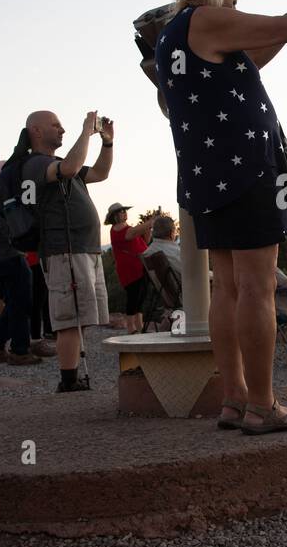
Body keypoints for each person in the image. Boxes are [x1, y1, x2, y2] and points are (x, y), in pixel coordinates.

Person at [155, 0, 287, 434]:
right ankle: (263, 405)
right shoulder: (209, 19)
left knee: (228, 288)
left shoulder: (175, 35)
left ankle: (235, 399)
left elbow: (251, 59)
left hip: (206, 174)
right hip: (246, 169)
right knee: (256, 286)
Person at [18, 111, 113, 392]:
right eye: (55, 125)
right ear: (35, 130)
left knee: (81, 314)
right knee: (69, 316)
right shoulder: (35, 164)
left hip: (85, 250)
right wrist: (86, 131)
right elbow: (71, 168)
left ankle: (71, 375)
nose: (62, 129)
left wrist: (107, 143)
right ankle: (68, 380)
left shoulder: (59, 162)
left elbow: (99, 173)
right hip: (64, 251)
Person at [0, 159, 40, 365]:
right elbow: (11, 228)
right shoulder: (0, 199)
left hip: (4, 257)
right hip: (12, 255)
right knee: (22, 304)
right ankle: (20, 350)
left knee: (15, 303)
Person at [105, 203, 153, 333]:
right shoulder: (118, 230)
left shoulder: (128, 229)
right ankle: (131, 328)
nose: (124, 213)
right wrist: (151, 222)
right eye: (121, 211)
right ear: (114, 216)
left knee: (140, 298)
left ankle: (139, 327)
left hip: (140, 266)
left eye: (124, 210)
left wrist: (147, 228)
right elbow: (132, 233)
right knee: (134, 297)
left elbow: (146, 242)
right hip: (130, 269)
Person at [144, 215, 183, 279]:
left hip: (161, 287)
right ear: (171, 233)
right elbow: (189, 271)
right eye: (175, 231)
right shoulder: (172, 251)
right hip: (182, 287)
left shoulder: (149, 251)